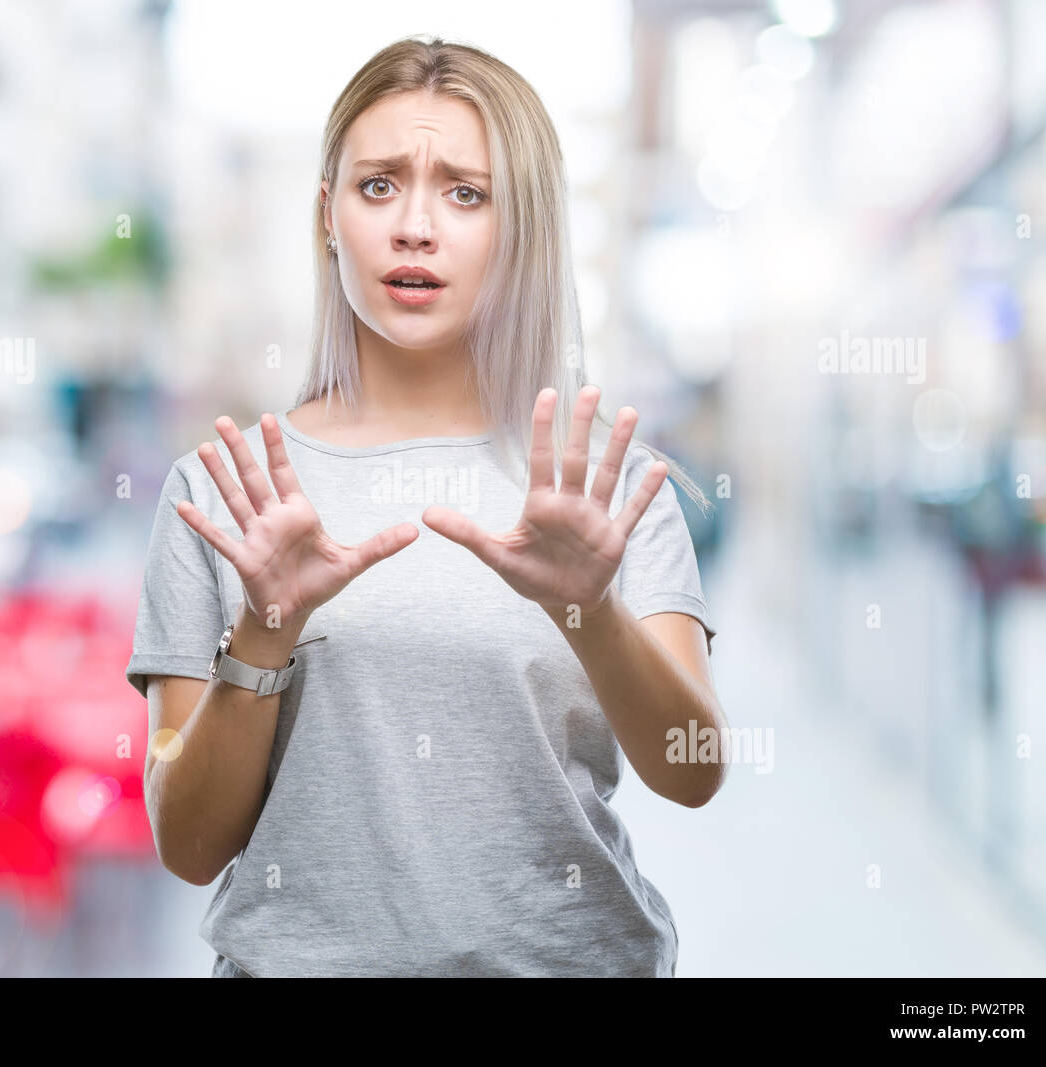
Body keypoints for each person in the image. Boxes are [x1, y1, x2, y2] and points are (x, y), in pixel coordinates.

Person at [126, 35, 728, 978]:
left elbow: (692, 769)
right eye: (377, 186)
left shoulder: (601, 483)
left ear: (520, 223)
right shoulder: (226, 489)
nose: (415, 227)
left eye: (465, 192)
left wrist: (590, 606)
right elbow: (189, 845)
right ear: (327, 214)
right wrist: (264, 632)